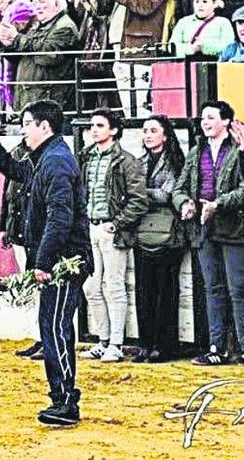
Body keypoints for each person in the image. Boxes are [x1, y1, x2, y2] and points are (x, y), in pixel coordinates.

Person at [0, 99, 91, 426]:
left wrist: (44, 261)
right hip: (59, 258)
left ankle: (66, 401)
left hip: (65, 261)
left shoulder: (56, 162)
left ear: (44, 127)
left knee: (55, 329)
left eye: (27, 125)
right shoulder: (46, 158)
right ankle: (62, 398)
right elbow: (14, 170)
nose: (23, 131)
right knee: (53, 328)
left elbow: (59, 219)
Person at [172, 100, 244, 369]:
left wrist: (219, 204)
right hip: (204, 229)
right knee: (212, 289)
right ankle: (217, 348)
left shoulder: (239, 149)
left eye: (211, 117)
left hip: (234, 227)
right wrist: (185, 204)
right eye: (203, 118)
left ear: (226, 121)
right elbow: (179, 187)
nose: (205, 122)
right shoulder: (196, 151)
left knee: (239, 290)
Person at [79, 109, 148, 363]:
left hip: (111, 230)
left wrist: (117, 223)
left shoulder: (127, 161)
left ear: (114, 130)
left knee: (114, 286)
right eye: (92, 125)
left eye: (99, 125)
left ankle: (116, 344)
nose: (94, 129)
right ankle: (103, 340)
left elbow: (138, 201)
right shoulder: (86, 157)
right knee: (92, 287)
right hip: (90, 227)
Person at [133, 115, 186, 363]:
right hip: (144, 229)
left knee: (166, 290)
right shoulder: (139, 161)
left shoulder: (176, 161)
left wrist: (138, 193)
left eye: (153, 130)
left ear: (165, 135)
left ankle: (164, 344)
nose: (148, 135)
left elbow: (167, 195)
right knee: (144, 291)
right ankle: (145, 342)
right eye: (145, 130)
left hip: (168, 231)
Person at [0, 0, 78, 113]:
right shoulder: (37, 26)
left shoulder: (64, 27)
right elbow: (19, 56)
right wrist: (8, 44)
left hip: (49, 101)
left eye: (42, 2)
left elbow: (48, 56)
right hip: (31, 98)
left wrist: (17, 38)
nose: (37, 6)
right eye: (36, 2)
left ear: (56, 4)